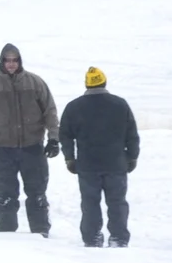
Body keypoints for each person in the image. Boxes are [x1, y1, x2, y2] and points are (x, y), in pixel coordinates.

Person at [0, 42, 59, 236]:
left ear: (20, 61)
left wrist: (54, 139)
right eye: (7, 60)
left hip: (32, 148)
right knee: (6, 195)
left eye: (14, 60)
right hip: (1, 150)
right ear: (2, 62)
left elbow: (50, 112)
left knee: (36, 193)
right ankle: (7, 231)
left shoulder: (35, 83)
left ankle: (40, 231)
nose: (11, 64)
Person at [59, 66, 140, 248]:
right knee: (117, 203)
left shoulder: (74, 107)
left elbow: (64, 134)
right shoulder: (120, 104)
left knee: (90, 203)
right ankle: (118, 238)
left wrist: (70, 158)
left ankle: (92, 237)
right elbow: (132, 134)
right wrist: (132, 157)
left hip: (88, 166)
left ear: (86, 85)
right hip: (116, 164)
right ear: (104, 82)